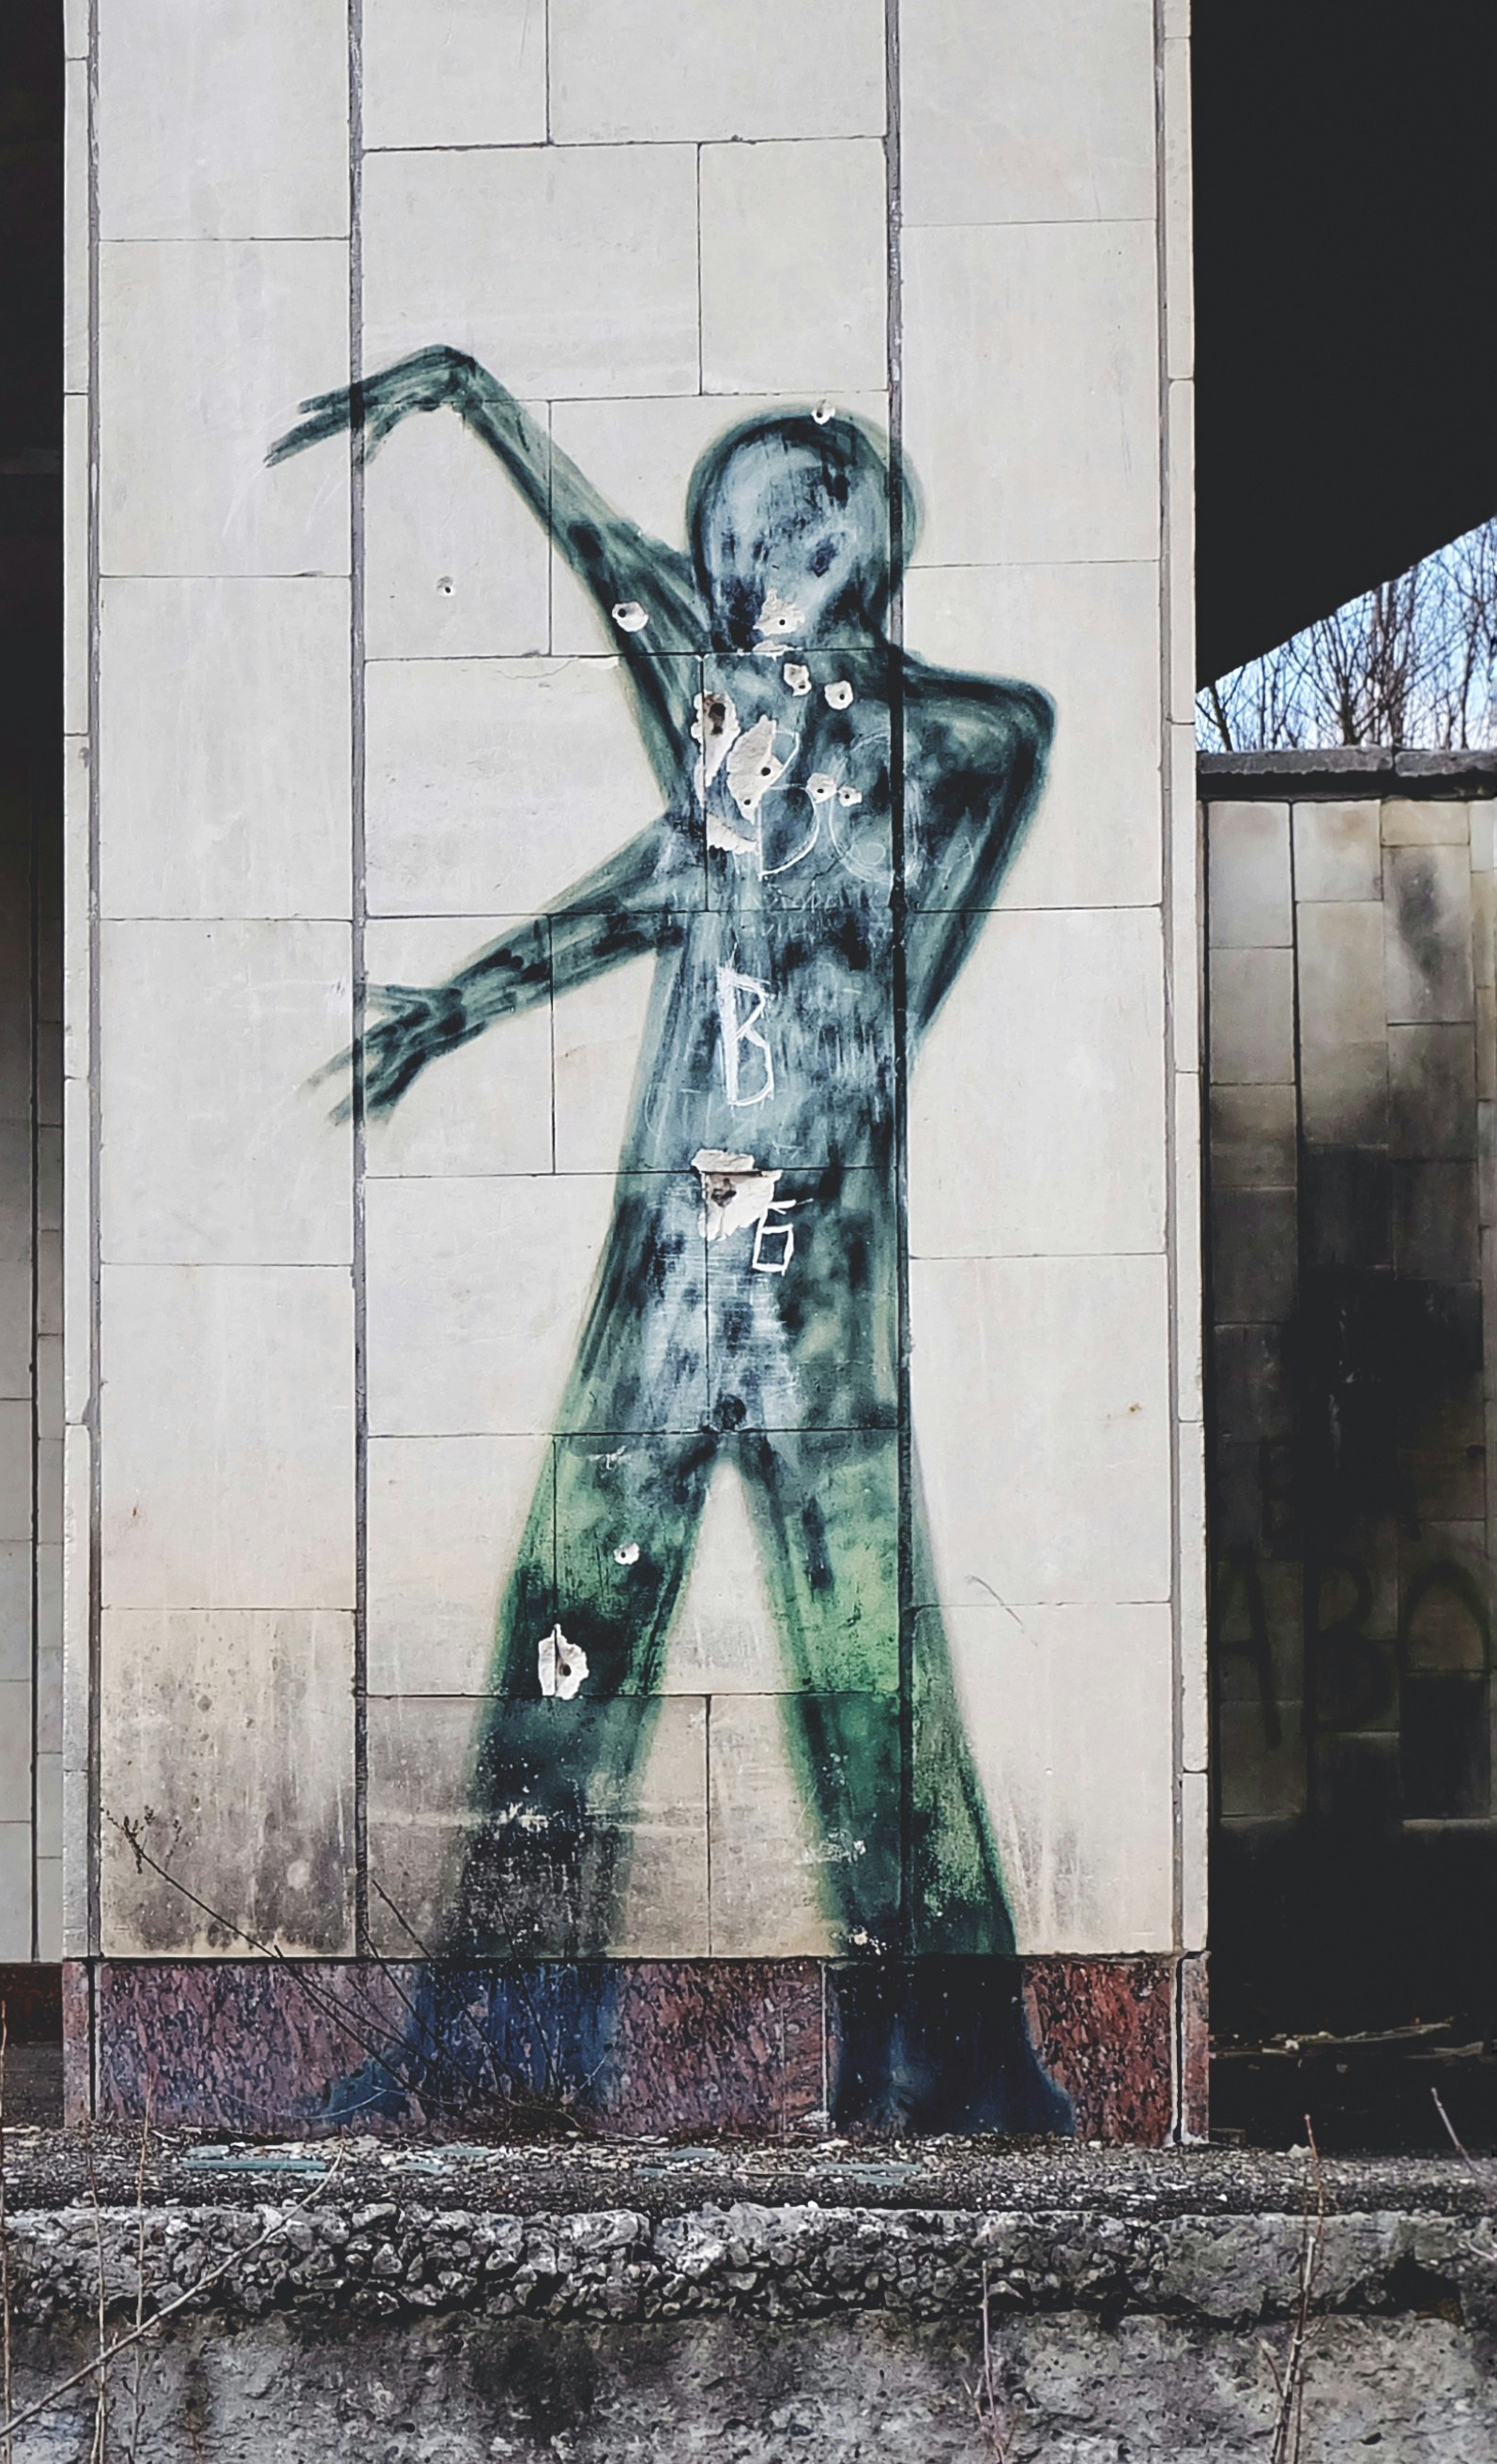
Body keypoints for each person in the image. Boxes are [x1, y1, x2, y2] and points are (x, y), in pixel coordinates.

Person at [270, 346, 1070, 2132]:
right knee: (685, 1645)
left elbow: (637, 601)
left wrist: (490, 411)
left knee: (765, 1658)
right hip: (722, 1270)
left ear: (812, 556)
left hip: (762, 1273)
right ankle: (559, 2055)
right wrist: (463, 1002)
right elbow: (668, 855)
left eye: (743, 552)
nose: (707, 585)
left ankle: (904, 2061)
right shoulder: (804, 754)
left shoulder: (887, 738)